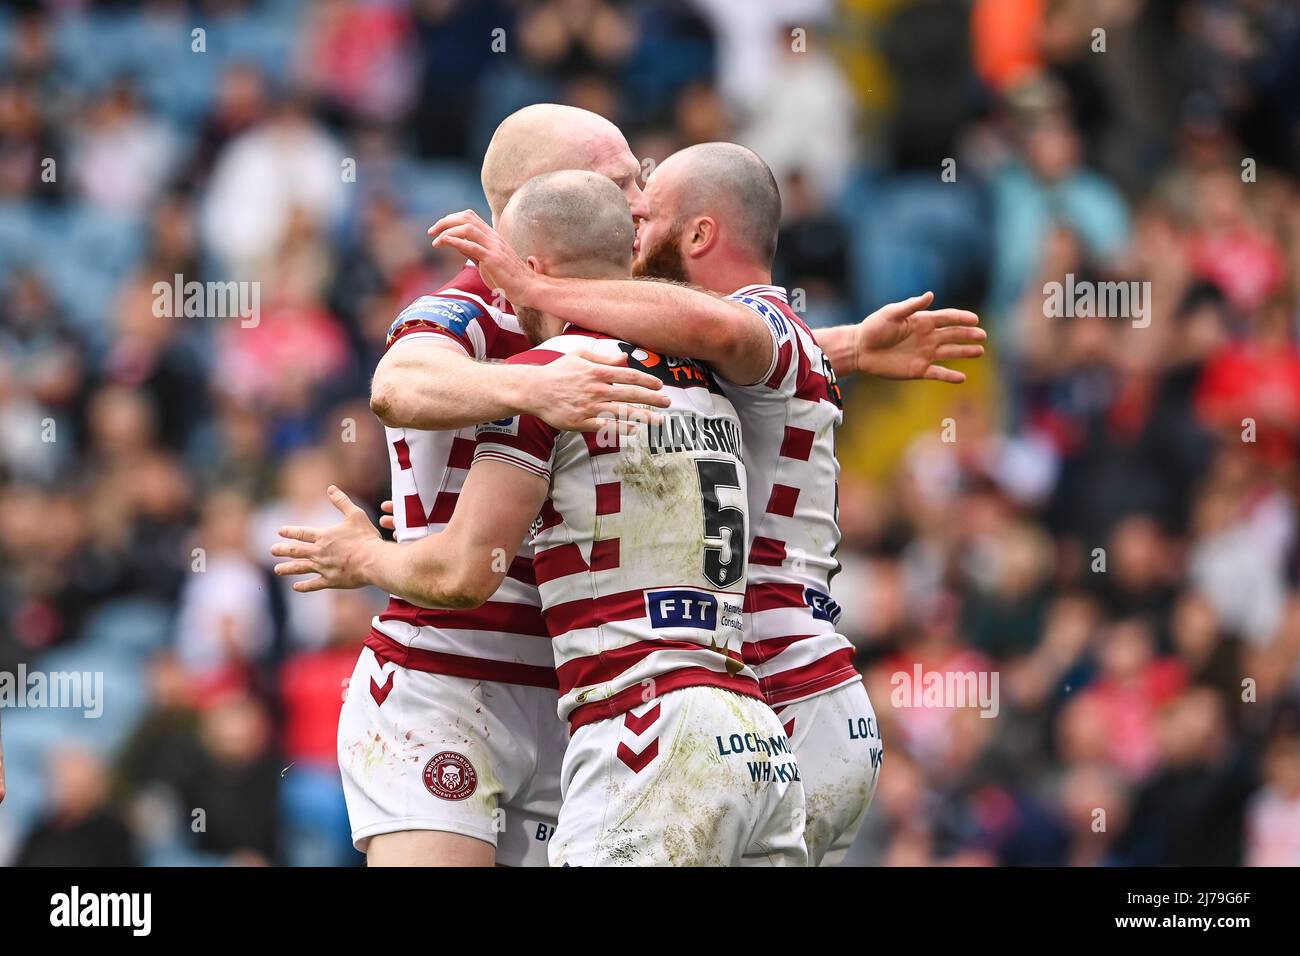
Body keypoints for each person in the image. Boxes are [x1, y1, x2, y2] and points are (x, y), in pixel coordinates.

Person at [427, 142, 984, 864]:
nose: (632, 231)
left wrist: (539, 290)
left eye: (648, 213)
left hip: (774, 685)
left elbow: (717, 328)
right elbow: (722, 345)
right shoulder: (752, 349)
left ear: (698, 235)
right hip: (786, 701)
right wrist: (845, 343)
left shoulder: (746, 323)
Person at [275, 170, 807, 866]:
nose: (640, 196)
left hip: (642, 725)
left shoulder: (554, 378)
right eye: (626, 184)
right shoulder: (715, 367)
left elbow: (464, 572)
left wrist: (364, 556)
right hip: (752, 731)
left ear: (526, 265)